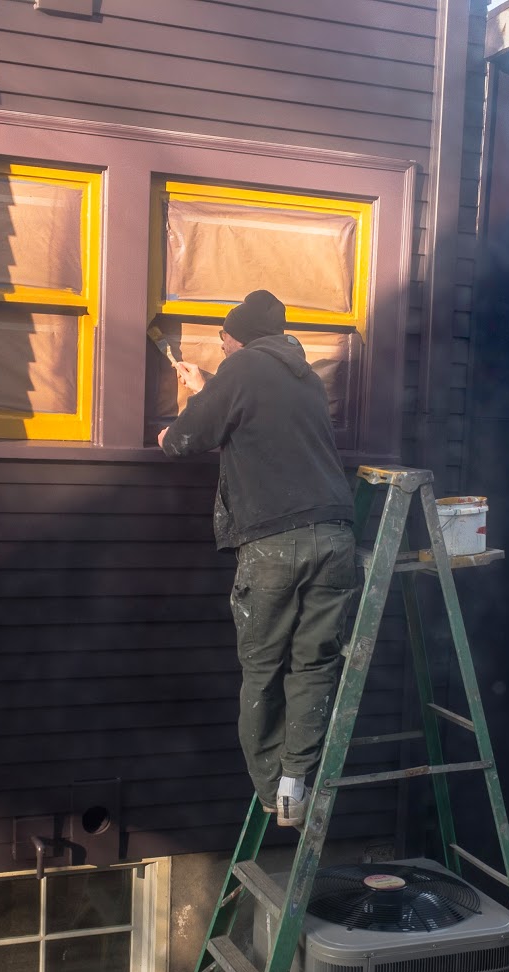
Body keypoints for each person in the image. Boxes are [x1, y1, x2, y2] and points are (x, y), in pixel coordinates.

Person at [158, 290, 356, 827]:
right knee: (314, 663)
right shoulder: (304, 375)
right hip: (336, 536)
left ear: (237, 337)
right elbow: (260, 421)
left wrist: (187, 406)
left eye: (223, 341)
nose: (222, 350)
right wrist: (212, 389)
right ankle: (297, 779)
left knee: (263, 669)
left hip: (276, 543)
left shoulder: (241, 366)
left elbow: (179, 441)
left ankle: (274, 796)